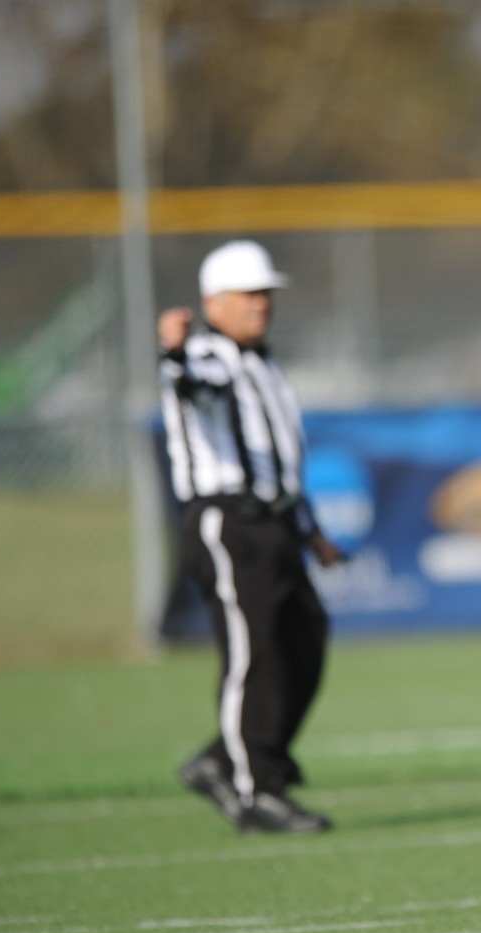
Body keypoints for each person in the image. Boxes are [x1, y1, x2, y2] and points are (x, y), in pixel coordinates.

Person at [157, 239, 346, 834]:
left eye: (265, 293)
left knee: (303, 646)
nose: (261, 305)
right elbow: (190, 381)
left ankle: (223, 761)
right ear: (214, 301)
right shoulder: (208, 354)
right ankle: (253, 788)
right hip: (227, 522)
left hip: (274, 524)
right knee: (253, 651)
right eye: (248, 294)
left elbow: (281, 461)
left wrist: (309, 529)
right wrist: (172, 349)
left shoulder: (260, 361)